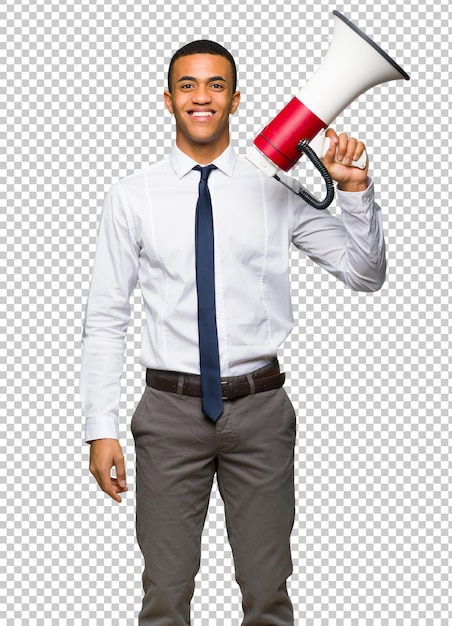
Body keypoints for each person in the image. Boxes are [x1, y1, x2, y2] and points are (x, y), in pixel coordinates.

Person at [81, 40, 386, 626]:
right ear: (168, 99)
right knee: (165, 597)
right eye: (189, 85)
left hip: (260, 410)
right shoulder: (131, 197)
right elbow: (105, 318)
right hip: (168, 413)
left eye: (216, 85)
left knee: (268, 595)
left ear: (236, 99)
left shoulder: (276, 186)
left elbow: (365, 274)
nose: (203, 97)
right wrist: (100, 429)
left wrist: (354, 192)